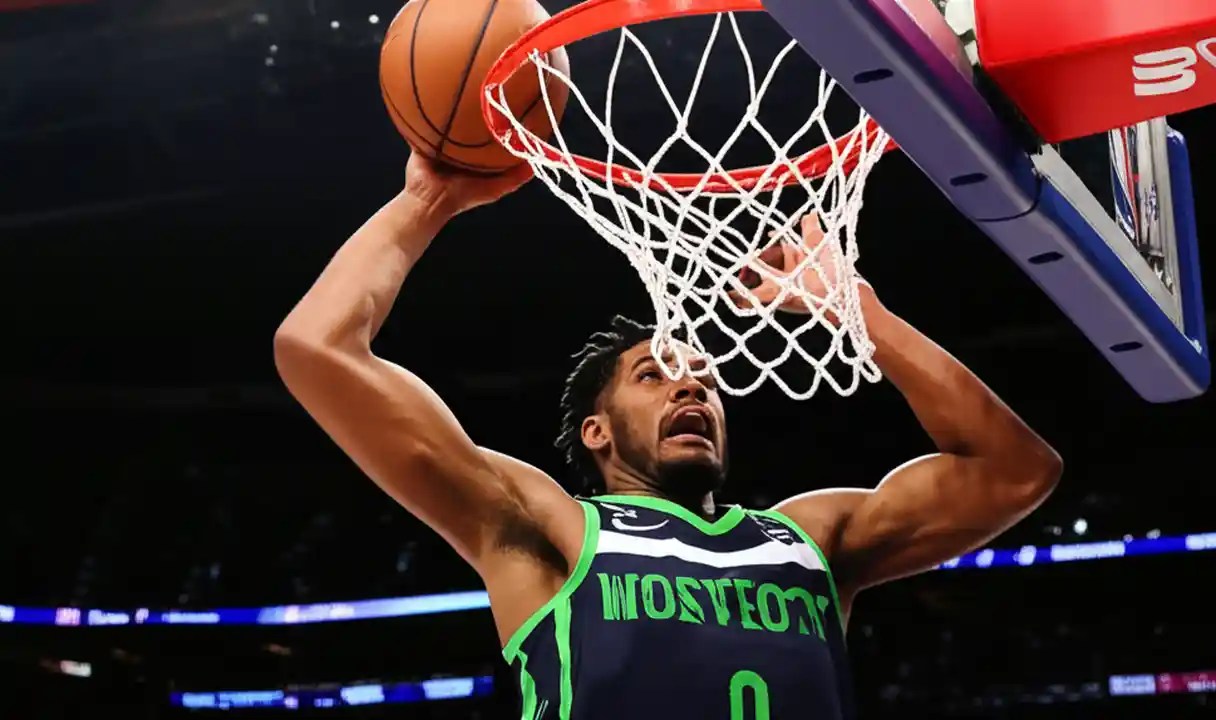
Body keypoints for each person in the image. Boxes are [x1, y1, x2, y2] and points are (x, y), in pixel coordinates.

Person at [274, 151, 1063, 719]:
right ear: (596, 433)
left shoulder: (808, 540)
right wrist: (428, 202)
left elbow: (1016, 469)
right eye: (653, 375)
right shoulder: (548, 528)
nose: (692, 382)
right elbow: (318, 347)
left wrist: (865, 316)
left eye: (706, 378)